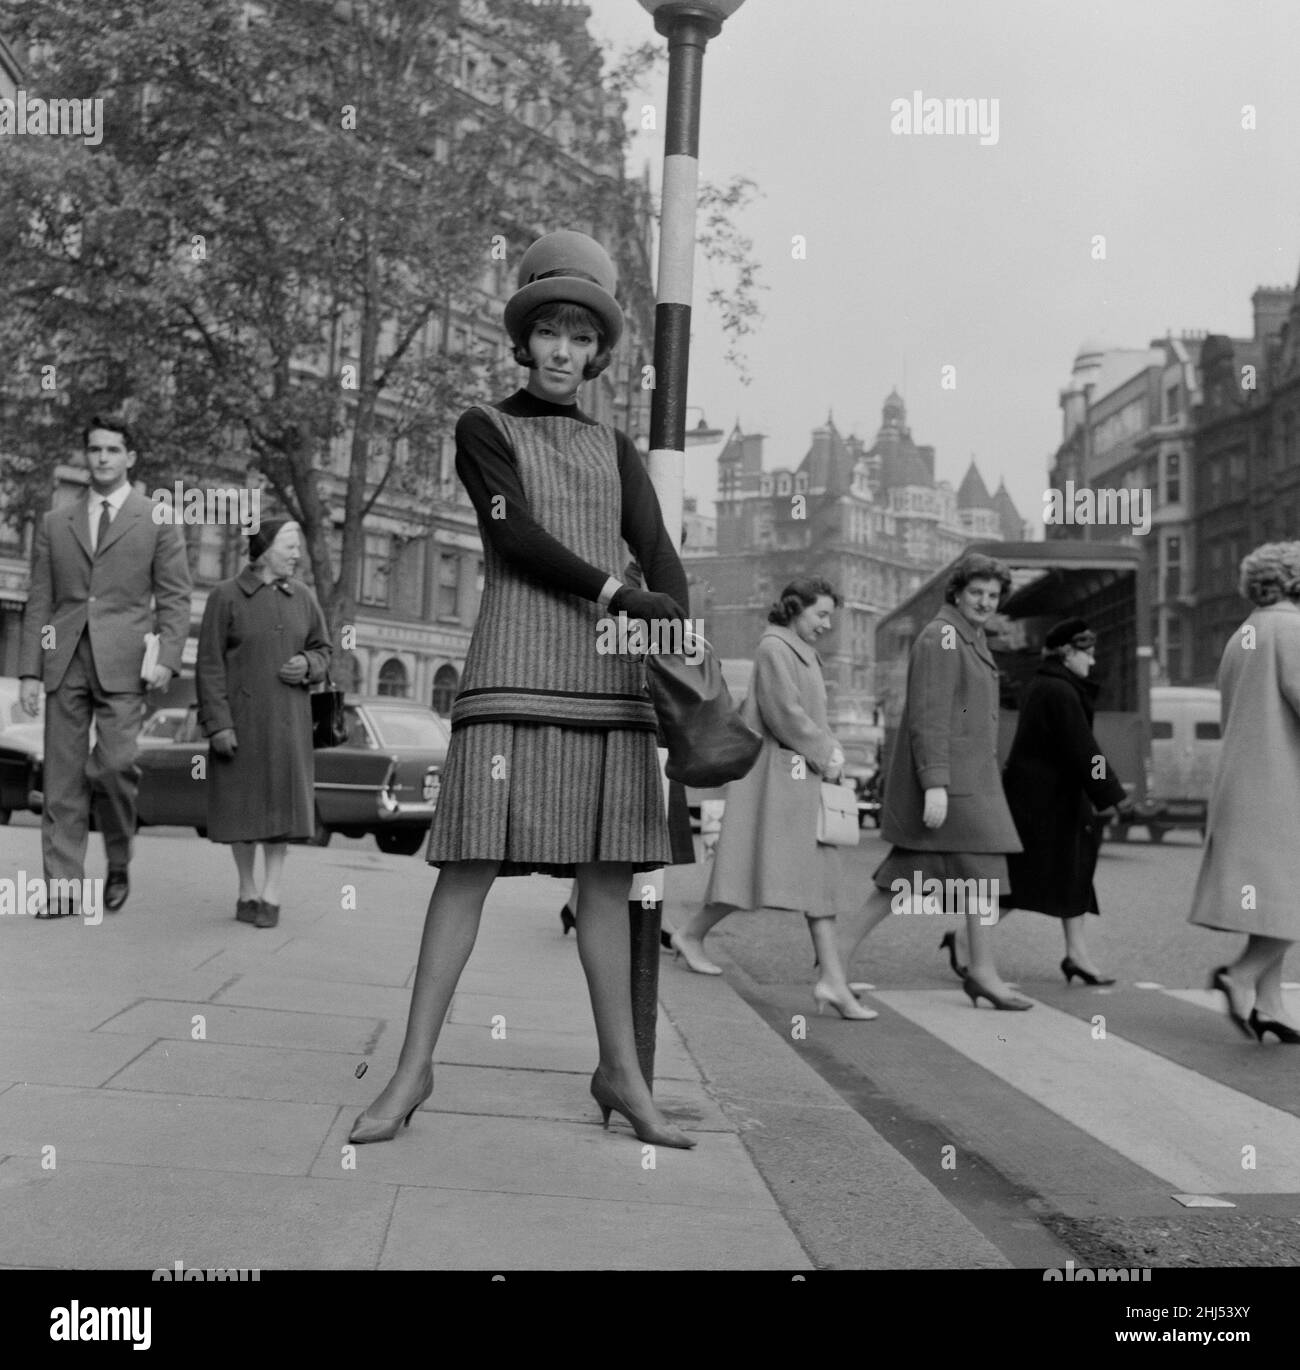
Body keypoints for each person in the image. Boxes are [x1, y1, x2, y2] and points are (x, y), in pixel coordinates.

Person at [350, 229, 698, 1148]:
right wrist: (626, 593)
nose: (564, 352)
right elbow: (514, 541)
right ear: (523, 338)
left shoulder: (617, 446)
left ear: (598, 353)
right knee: (465, 870)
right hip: (512, 672)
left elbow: (661, 551)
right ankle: (412, 1070)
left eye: (583, 339)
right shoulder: (483, 428)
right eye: (550, 331)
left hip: (609, 683)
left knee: (607, 885)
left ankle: (621, 1075)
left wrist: (678, 637)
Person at [668, 577, 875, 1019]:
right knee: (750, 874)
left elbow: (804, 716)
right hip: (779, 782)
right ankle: (690, 935)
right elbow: (786, 715)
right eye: (820, 615)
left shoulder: (793, 649)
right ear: (795, 609)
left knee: (813, 882)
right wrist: (828, 753)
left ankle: (833, 981)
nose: (826, 625)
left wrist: (826, 751)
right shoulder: (776, 649)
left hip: (796, 781)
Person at [836, 552, 1032, 1009]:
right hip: (955, 786)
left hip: (970, 783)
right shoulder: (944, 637)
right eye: (976, 593)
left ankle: (836, 962)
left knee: (909, 880)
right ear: (957, 594)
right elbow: (929, 716)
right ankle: (980, 972)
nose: (985, 601)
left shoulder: (968, 636)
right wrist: (936, 783)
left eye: (992, 594)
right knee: (965, 875)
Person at [18, 414, 192, 917]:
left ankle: (119, 858)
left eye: (112, 450)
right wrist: (30, 670)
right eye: (94, 450)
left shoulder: (157, 518)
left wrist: (168, 659)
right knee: (62, 779)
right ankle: (63, 887)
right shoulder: (57, 521)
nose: (102, 459)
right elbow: (39, 599)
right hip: (65, 660)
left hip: (126, 664)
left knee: (115, 768)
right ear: (85, 456)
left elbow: (176, 598)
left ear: (130, 458)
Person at [195, 518, 331, 930]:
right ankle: (246, 887)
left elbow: (324, 650)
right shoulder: (225, 597)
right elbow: (209, 665)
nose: (297, 554)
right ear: (265, 548)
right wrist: (218, 724)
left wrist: (308, 664)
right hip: (240, 724)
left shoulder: (303, 597)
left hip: (289, 725)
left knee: (281, 811)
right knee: (242, 811)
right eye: (290, 546)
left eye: (299, 547)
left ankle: (271, 893)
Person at [1189, 542, 1300, 1044]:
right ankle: (1240, 976)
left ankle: (1271, 1006)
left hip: (1247, 781)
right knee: (1290, 895)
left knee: (1275, 898)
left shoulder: (1246, 632)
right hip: (1281, 784)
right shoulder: (1292, 628)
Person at [998, 618, 1130, 984]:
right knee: (1026, 880)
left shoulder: (1052, 685)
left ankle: (1077, 955)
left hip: (1048, 800)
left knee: (1073, 873)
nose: (1092, 662)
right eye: (1087, 654)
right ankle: (963, 940)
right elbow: (1086, 752)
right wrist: (1115, 796)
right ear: (1068, 653)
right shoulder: (1059, 691)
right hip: (1044, 805)